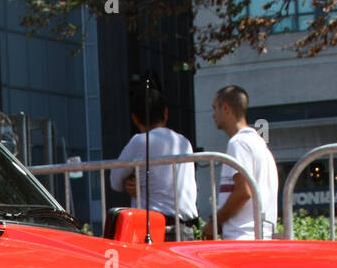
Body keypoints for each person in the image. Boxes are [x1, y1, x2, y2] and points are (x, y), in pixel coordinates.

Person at [109, 86, 198, 240]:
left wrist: (128, 181)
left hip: (153, 229)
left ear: (135, 118)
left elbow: (115, 181)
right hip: (185, 228)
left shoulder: (139, 142)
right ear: (166, 113)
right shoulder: (184, 142)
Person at [202, 85, 278, 240]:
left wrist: (215, 222)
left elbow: (243, 192)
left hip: (243, 237)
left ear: (226, 108)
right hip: (260, 236)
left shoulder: (238, 143)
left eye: (215, 108)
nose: (213, 115)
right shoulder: (258, 143)